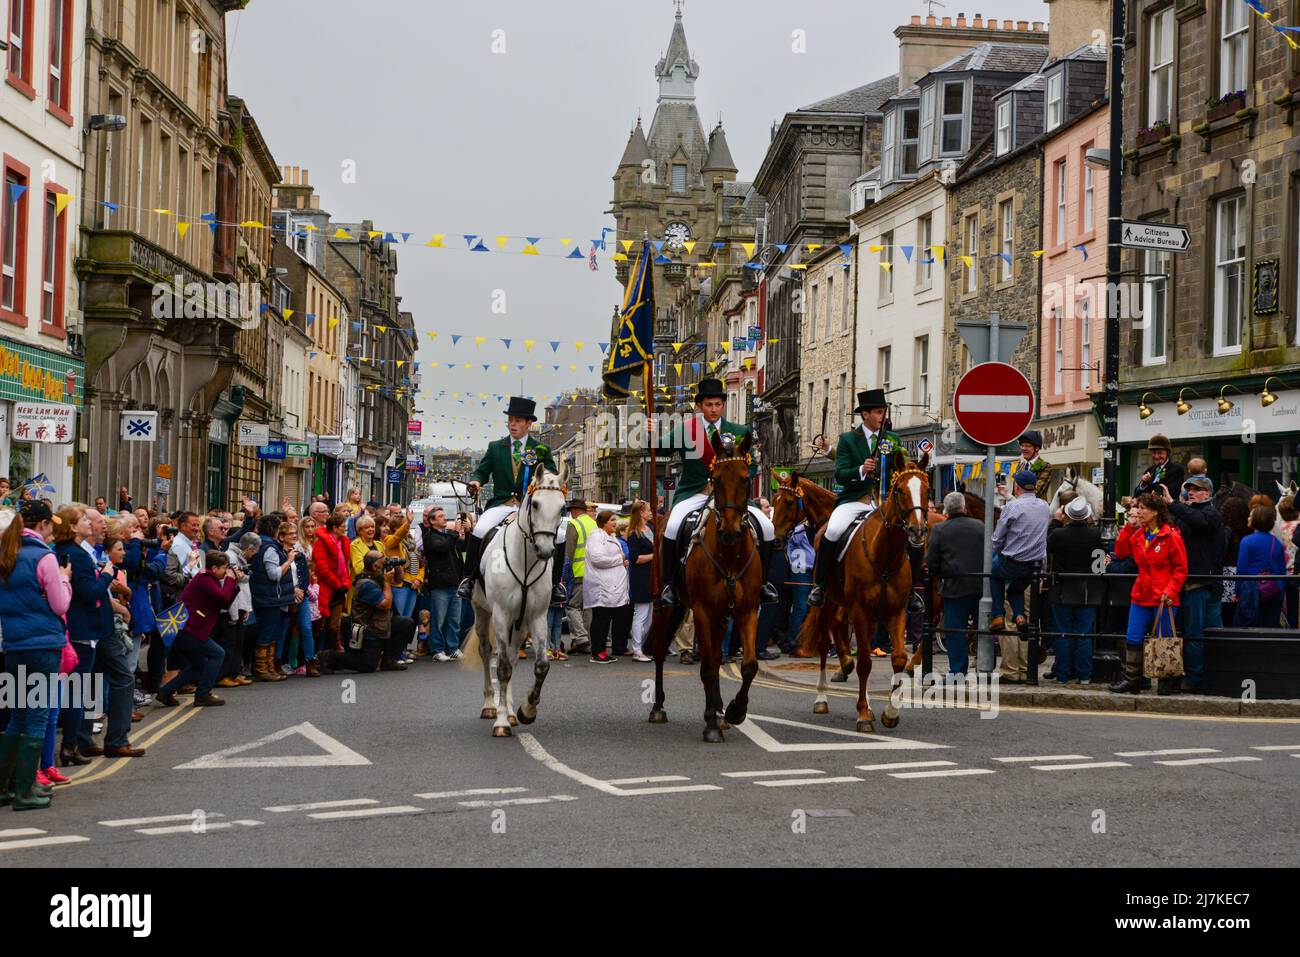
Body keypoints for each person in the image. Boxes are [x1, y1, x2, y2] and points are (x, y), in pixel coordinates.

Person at [656, 378, 779, 608]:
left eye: (718, 404)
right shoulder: (686, 430)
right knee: (672, 526)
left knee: (768, 526)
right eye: (709, 405)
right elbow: (659, 448)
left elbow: (750, 465)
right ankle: (669, 585)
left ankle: (764, 584)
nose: (714, 409)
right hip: (695, 493)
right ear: (700, 406)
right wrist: (651, 434)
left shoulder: (739, 431)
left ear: (723, 406)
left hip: (731, 497)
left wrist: (739, 478)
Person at [0, 503, 73, 809]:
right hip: (43, 644)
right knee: (38, 715)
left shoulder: (7, 553)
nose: (52, 531)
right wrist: (65, 579)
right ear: (42, 525)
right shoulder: (44, 556)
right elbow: (60, 605)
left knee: (17, 714)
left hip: (14, 644)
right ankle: (26, 792)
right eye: (50, 525)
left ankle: (5, 788)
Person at [457, 396, 564, 604]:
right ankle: (468, 580)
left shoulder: (540, 449)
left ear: (528, 423)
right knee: (479, 530)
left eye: (517, 420)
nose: (512, 424)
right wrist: (476, 482)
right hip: (501, 505)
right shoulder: (496, 447)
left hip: (529, 508)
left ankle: (554, 584)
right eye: (510, 420)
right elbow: (482, 471)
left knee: (559, 535)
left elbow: (552, 474)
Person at [809, 389, 906, 609]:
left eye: (884, 412)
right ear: (865, 415)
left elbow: (902, 465)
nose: (883, 416)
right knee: (832, 530)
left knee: (912, 532)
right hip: (855, 501)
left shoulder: (893, 439)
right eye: (879, 412)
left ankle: (911, 593)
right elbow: (841, 473)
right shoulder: (848, 440)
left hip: (884, 504)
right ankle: (820, 585)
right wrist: (861, 469)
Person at [53, 505, 118, 764]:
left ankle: (76, 743)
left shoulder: (69, 552)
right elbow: (89, 593)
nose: (89, 523)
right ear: (71, 527)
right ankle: (71, 746)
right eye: (83, 520)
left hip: (79, 629)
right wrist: (106, 576)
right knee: (76, 691)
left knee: (76, 690)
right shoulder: (76, 555)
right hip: (81, 630)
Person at [1110, 491, 1188, 695]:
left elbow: (1181, 568)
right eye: (1138, 508)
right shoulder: (1138, 535)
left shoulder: (1171, 535)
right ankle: (1132, 680)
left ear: (1155, 512)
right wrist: (1129, 525)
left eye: (1143, 508)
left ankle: (1166, 680)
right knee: (1133, 637)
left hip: (1164, 596)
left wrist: (1171, 591)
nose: (1139, 512)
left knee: (1164, 638)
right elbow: (1120, 552)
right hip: (1142, 594)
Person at [989, 469, 1050, 683]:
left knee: (994, 575)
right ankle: (1026, 669)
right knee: (1025, 613)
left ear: (1017, 486)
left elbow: (997, 539)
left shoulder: (1012, 507)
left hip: (1011, 565)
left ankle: (1011, 670)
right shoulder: (1044, 506)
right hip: (1034, 570)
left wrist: (999, 547)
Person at [155, 551, 237, 707]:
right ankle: (203, 694)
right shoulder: (204, 579)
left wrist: (233, 583)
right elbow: (223, 598)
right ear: (214, 568)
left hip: (189, 629)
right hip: (188, 629)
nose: (227, 571)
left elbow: (224, 603)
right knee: (217, 653)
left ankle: (165, 692)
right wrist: (230, 580)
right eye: (225, 568)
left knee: (199, 666)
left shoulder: (207, 578)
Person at [1167, 475, 1223, 691]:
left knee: (1197, 635)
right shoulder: (1188, 514)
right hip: (1194, 584)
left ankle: (1195, 679)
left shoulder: (1210, 513)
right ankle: (1199, 678)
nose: (1191, 492)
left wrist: (1173, 504)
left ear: (1208, 493)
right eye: (1189, 488)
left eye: (1197, 489)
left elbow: (1200, 521)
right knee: (1198, 634)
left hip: (1201, 585)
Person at [93, 534, 145, 757]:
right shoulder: (90, 559)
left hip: (91, 629)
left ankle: (80, 740)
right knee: (124, 679)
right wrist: (122, 606)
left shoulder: (87, 556)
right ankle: (116, 740)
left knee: (89, 680)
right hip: (99, 628)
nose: (124, 552)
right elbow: (93, 594)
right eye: (119, 548)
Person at [321, 551, 414, 673]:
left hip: (381, 623)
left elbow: (398, 580)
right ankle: (328, 656)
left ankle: (389, 661)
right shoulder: (365, 584)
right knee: (368, 666)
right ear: (375, 566)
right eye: (383, 562)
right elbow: (386, 604)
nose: (385, 563)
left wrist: (397, 567)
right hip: (369, 628)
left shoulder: (376, 574)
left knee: (406, 623)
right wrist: (386, 582)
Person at [925, 492, 984, 675]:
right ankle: (985, 669)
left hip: (954, 587)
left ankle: (958, 672)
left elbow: (932, 561)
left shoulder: (940, 529)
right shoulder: (980, 526)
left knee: (955, 631)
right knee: (982, 630)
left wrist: (936, 572)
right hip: (980, 585)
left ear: (946, 510)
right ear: (964, 507)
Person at [1046, 497, 1102, 685]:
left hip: (1062, 586)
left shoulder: (1058, 534)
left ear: (1067, 514)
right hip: (1087, 589)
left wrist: (1055, 521)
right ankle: (1084, 674)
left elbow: (1046, 546)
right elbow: (1099, 566)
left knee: (1063, 633)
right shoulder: (1096, 534)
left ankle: (1063, 673)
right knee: (1084, 634)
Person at [248, 515, 294, 682]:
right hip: (269, 596)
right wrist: (288, 561)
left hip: (269, 596)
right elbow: (274, 574)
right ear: (274, 530)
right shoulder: (269, 548)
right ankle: (262, 668)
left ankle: (269, 666)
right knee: (267, 633)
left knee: (272, 633)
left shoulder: (265, 545)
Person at [583, 510, 629, 664]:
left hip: (613, 586)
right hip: (602, 586)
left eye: (615, 520)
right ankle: (597, 652)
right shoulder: (597, 537)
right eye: (612, 520)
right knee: (600, 619)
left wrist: (622, 563)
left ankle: (602, 651)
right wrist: (619, 559)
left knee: (608, 618)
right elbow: (597, 559)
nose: (615, 523)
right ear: (603, 522)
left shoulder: (610, 537)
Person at [421, 507, 465, 661]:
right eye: (440, 516)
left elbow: (461, 548)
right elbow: (443, 547)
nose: (445, 518)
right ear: (432, 521)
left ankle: (452, 647)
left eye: (445, 516)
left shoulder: (448, 536)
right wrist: (455, 533)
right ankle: (437, 650)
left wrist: (463, 533)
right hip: (439, 585)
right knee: (438, 620)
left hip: (454, 583)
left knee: (454, 620)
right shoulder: (430, 537)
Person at [1236, 504, 1287, 628]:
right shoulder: (1277, 542)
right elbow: (1282, 570)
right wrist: (1280, 589)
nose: (1248, 518)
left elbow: (1241, 569)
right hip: (1274, 590)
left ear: (1257, 519)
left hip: (1252, 590)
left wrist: (1238, 592)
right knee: (1270, 629)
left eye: (1250, 516)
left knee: (1248, 628)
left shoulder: (1247, 541)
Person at [220, 532, 260, 686]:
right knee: (229, 643)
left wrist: (246, 608)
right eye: (253, 551)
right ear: (249, 548)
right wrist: (234, 612)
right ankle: (223, 675)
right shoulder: (230, 557)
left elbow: (243, 581)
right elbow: (230, 585)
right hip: (232, 607)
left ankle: (234, 672)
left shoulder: (240, 558)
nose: (253, 555)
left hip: (241, 605)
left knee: (238, 642)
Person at [562, 498, 595, 654]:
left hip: (578, 572)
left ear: (574, 511)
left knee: (571, 606)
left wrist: (564, 574)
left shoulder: (574, 524)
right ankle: (583, 639)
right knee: (587, 608)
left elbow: (569, 552)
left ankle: (581, 638)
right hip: (593, 572)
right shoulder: (593, 523)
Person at [313, 512, 350, 654]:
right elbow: (322, 569)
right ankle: (318, 655)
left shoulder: (342, 542)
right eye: (342, 527)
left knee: (335, 625)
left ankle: (329, 655)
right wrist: (338, 584)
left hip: (339, 588)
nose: (345, 529)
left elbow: (345, 566)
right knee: (320, 623)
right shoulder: (321, 543)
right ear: (334, 528)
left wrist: (345, 583)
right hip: (326, 588)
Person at [625, 500, 654, 661]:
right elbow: (636, 558)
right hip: (640, 577)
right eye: (648, 510)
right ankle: (637, 650)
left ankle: (641, 646)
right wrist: (655, 556)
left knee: (648, 617)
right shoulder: (633, 534)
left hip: (650, 576)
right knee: (640, 614)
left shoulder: (649, 529)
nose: (651, 513)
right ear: (641, 513)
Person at [784, 517, 816, 654]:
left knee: (811, 608)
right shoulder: (799, 530)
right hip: (801, 571)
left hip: (814, 571)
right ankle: (794, 642)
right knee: (801, 607)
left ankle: (808, 641)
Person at [1132, 433, 1184, 500]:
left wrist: (1149, 486)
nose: (1156, 456)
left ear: (1167, 453)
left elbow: (1171, 492)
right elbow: (1136, 495)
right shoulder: (1150, 470)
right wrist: (1143, 484)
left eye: (1159, 453)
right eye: (1154, 453)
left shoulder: (1176, 469)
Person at [1013, 430, 1053, 499]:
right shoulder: (1020, 466)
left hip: (1036, 507)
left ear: (1037, 448)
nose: (1023, 448)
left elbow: (1037, 491)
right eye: (1022, 445)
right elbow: (1014, 491)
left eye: (1027, 446)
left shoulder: (1045, 466)